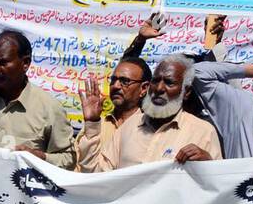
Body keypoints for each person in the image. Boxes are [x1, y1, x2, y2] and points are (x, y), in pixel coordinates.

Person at [77, 54, 221, 170]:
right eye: (156, 80)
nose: (159, 89)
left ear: (186, 92)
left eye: (169, 83)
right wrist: (92, 123)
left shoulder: (203, 132)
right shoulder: (129, 126)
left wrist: (206, 163)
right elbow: (96, 174)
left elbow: (218, 187)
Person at [0, 30, 74, 169]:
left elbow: (69, 158)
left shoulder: (49, 108)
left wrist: (40, 157)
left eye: (2, 62)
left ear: (25, 63)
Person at [74, 57, 150, 164]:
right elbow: (80, 167)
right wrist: (91, 122)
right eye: (113, 80)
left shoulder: (150, 128)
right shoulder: (96, 125)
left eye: (125, 81)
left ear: (143, 88)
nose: (115, 86)